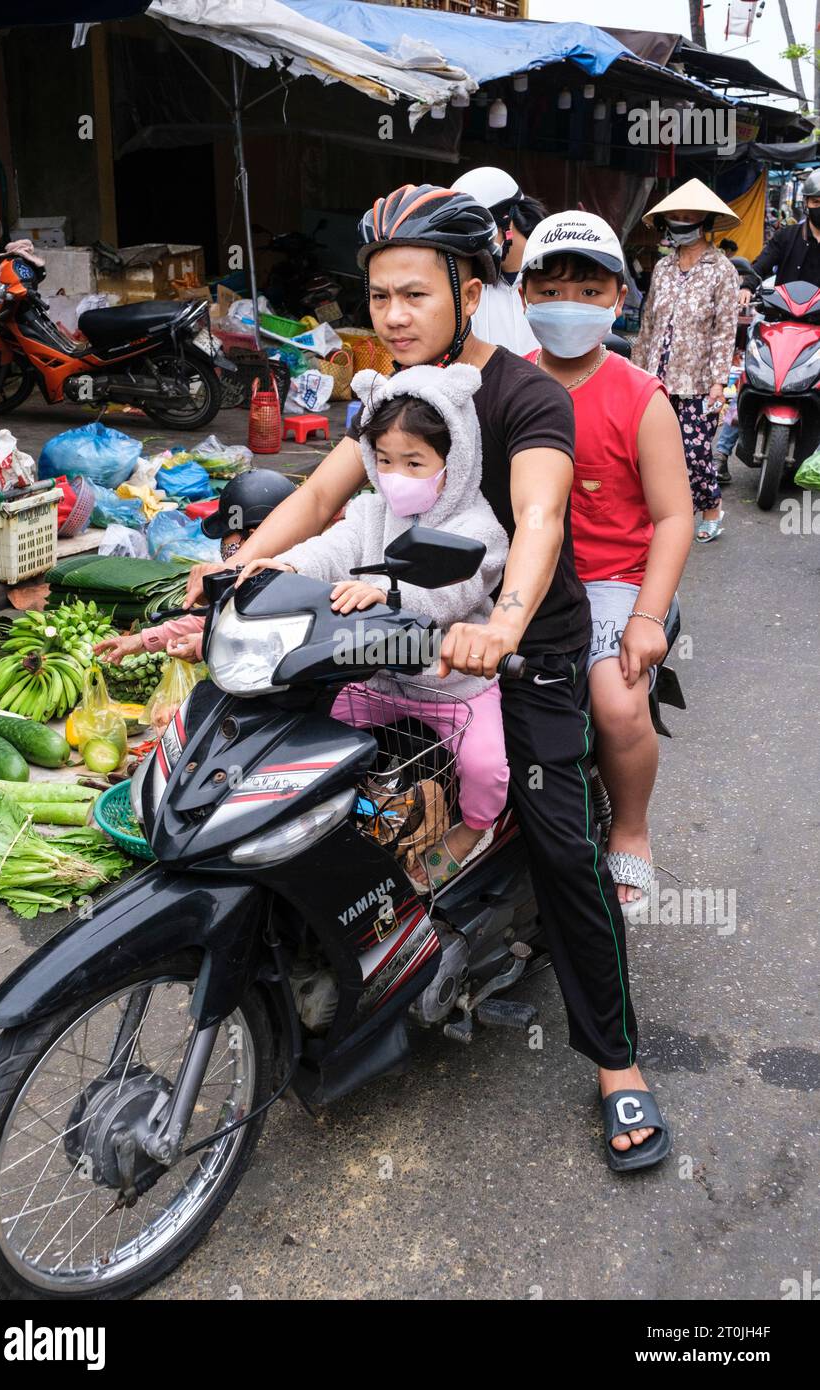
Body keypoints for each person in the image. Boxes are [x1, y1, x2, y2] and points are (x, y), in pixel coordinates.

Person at [183, 182, 672, 1171]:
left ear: (467, 285)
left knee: (559, 833)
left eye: (413, 295)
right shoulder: (384, 395)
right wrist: (234, 570)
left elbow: (536, 521)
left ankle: (615, 1060)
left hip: (519, 642)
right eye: (378, 298)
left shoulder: (526, 395)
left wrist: (500, 623)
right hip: (395, 620)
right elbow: (322, 493)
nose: (393, 316)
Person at [242, 364, 510, 889]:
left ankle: (473, 829)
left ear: (454, 458)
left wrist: (389, 594)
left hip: (454, 688)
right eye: (384, 461)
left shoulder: (480, 528)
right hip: (370, 679)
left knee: (485, 769)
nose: (396, 475)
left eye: (415, 462)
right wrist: (290, 566)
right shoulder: (370, 511)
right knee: (299, 735)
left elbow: (453, 590)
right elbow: (333, 547)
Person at [521, 211, 693, 911]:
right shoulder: (504, 383)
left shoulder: (639, 397)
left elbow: (674, 516)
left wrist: (648, 616)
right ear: (524, 293)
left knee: (618, 704)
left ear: (619, 299)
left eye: (590, 291)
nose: (571, 303)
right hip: (519, 581)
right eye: (553, 288)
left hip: (609, 586)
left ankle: (630, 828)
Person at [94, 468, 296, 668]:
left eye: (227, 535)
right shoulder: (254, 576)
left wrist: (205, 645)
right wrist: (141, 640)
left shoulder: (293, 583)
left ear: (252, 535)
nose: (223, 544)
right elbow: (206, 620)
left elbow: (270, 639)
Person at [632, 178, 740, 544]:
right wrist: (636, 369)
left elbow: (725, 331)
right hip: (655, 374)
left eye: (687, 217)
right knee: (651, 450)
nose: (680, 223)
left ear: (704, 221)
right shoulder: (663, 269)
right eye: (674, 217)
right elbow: (648, 322)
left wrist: (717, 382)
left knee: (694, 452)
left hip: (696, 379)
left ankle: (711, 508)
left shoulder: (721, 270)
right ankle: (662, 512)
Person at [450, 167, 545, 354]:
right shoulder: (466, 286)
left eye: (476, 233)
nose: (471, 245)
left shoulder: (553, 275)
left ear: (506, 221)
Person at [740, 168, 820, 313]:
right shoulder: (786, 236)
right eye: (816, 202)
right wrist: (746, 287)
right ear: (806, 203)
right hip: (783, 319)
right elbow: (761, 266)